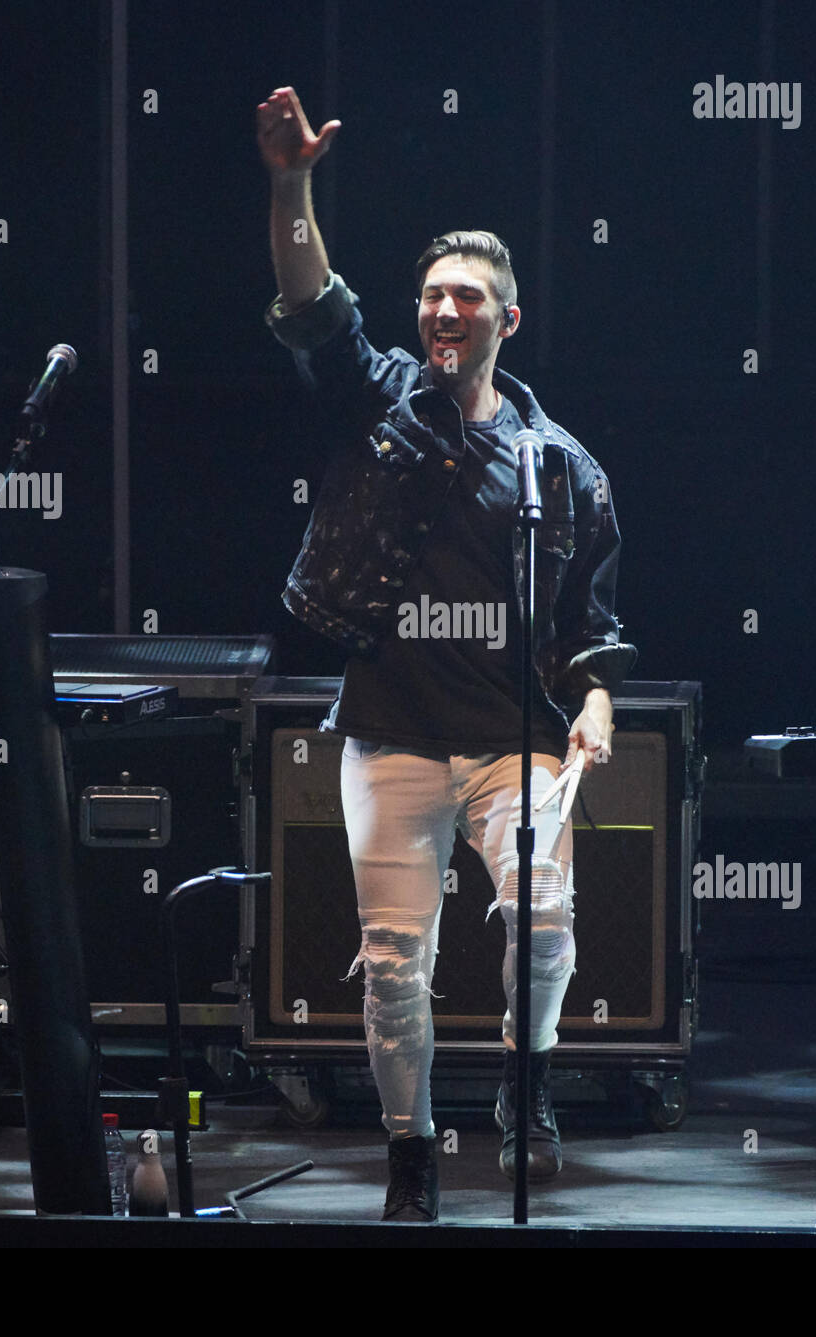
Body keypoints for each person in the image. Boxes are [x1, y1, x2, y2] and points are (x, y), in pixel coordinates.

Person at [257, 86, 636, 1222]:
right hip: (390, 736)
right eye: (430, 293)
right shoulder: (378, 402)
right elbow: (312, 302)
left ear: (505, 320)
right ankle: (411, 1148)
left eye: (465, 295)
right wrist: (292, 183)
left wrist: (601, 700)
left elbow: (591, 622)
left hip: (514, 742)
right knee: (389, 962)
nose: (442, 309)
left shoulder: (556, 465)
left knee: (549, 921)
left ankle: (525, 1080)